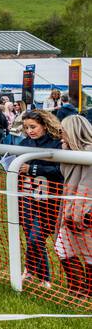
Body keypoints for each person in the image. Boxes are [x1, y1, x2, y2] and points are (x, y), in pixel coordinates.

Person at [16, 110, 65, 288]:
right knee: (31, 237)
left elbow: (61, 171)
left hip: (50, 199)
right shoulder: (23, 143)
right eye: (26, 127)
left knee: (37, 237)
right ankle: (37, 274)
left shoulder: (57, 144)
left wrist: (33, 169)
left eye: (33, 127)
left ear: (44, 125)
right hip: (27, 197)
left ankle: (36, 272)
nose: (29, 131)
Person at [57, 115, 92, 299]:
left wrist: (79, 215)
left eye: (63, 130)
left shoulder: (89, 153)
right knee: (62, 248)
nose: (60, 134)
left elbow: (87, 187)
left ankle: (85, 291)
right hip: (70, 209)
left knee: (89, 253)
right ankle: (77, 288)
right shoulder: (67, 152)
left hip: (85, 212)